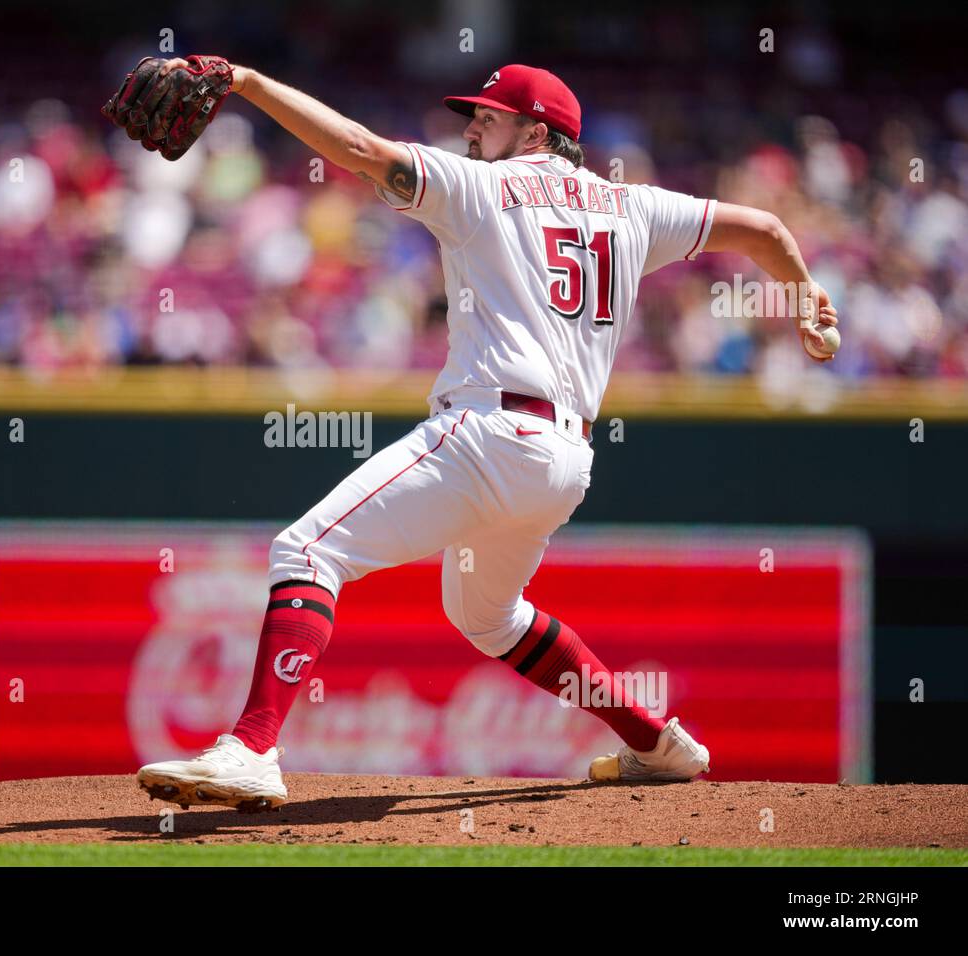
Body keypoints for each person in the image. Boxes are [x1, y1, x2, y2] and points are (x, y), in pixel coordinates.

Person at [136, 61, 839, 811]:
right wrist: (806, 300)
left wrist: (246, 82)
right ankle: (655, 741)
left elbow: (357, 148)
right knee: (485, 615)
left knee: (307, 550)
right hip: (565, 463)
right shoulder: (632, 207)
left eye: (488, 117)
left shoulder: (482, 188)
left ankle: (250, 749)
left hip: (492, 434)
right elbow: (763, 229)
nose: (472, 127)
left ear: (536, 132)